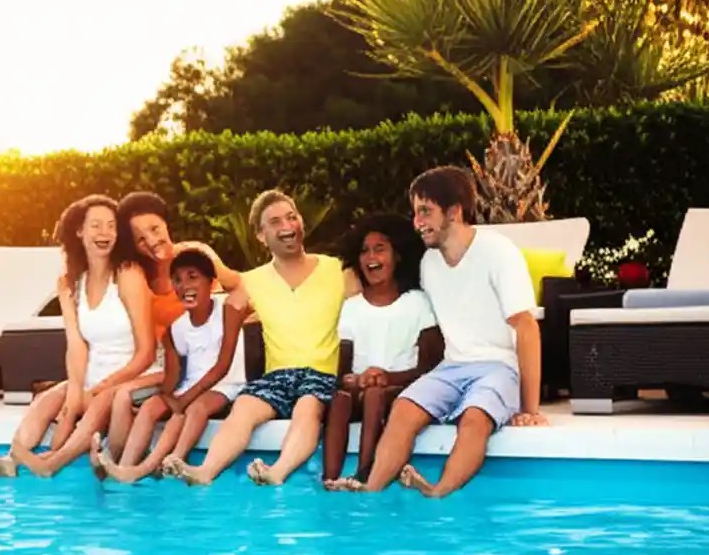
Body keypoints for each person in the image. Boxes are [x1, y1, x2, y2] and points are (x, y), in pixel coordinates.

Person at [359, 166, 548, 498]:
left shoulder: (498, 252)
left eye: (425, 212)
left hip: (499, 366)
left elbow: (527, 328)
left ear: (455, 211)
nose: (417, 222)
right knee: (403, 409)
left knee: (474, 417)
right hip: (453, 366)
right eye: (415, 212)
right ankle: (370, 492)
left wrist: (529, 410)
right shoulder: (429, 264)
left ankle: (438, 491)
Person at [162, 189, 359, 486]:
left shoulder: (336, 270)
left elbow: (381, 290)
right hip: (276, 376)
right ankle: (206, 472)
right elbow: (213, 299)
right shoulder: (251, 281)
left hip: (320, 374)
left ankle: (277, 472)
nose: (287, 226)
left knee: (308, 408)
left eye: (292, 217)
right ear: (261, 236)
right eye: (275, 222)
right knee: (243, 407)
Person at [0, 194, 157, 478]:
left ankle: (52, 463)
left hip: (136, 373)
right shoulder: (70, 282)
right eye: (96, 225)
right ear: (79, 231)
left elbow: (147, 352)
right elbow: (76, 345)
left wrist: (96, 390)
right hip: (94, 372)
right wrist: (74, 393)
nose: (105, 233)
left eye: (111, 226)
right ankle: (12, 458)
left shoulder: (128, 273)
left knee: (96, 401)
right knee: (47, 400)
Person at [99, 191, 243, 463]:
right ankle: (115, 463)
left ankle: (115, 460)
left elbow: (240, 286)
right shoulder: (140, 276)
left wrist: (235, 322)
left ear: (166, 223)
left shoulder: (197, 255)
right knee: (120, 396)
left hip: (206, 362)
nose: (152, 241)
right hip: (167, 364)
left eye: (155, 229)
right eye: (141, 238)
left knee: (123, 395)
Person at [322, 212, 443, 490]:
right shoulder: (352, 307)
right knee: (339, 398)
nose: (371, 257)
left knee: (375, 394)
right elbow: (343, 371)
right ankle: (329, 478)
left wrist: (387, 376)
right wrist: (353, 379)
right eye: (364, 251)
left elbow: (429, 368)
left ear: (397, 256)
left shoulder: (418, 302)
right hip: (361, 390)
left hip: (400, 388)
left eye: (380, 249)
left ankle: (364, 474)